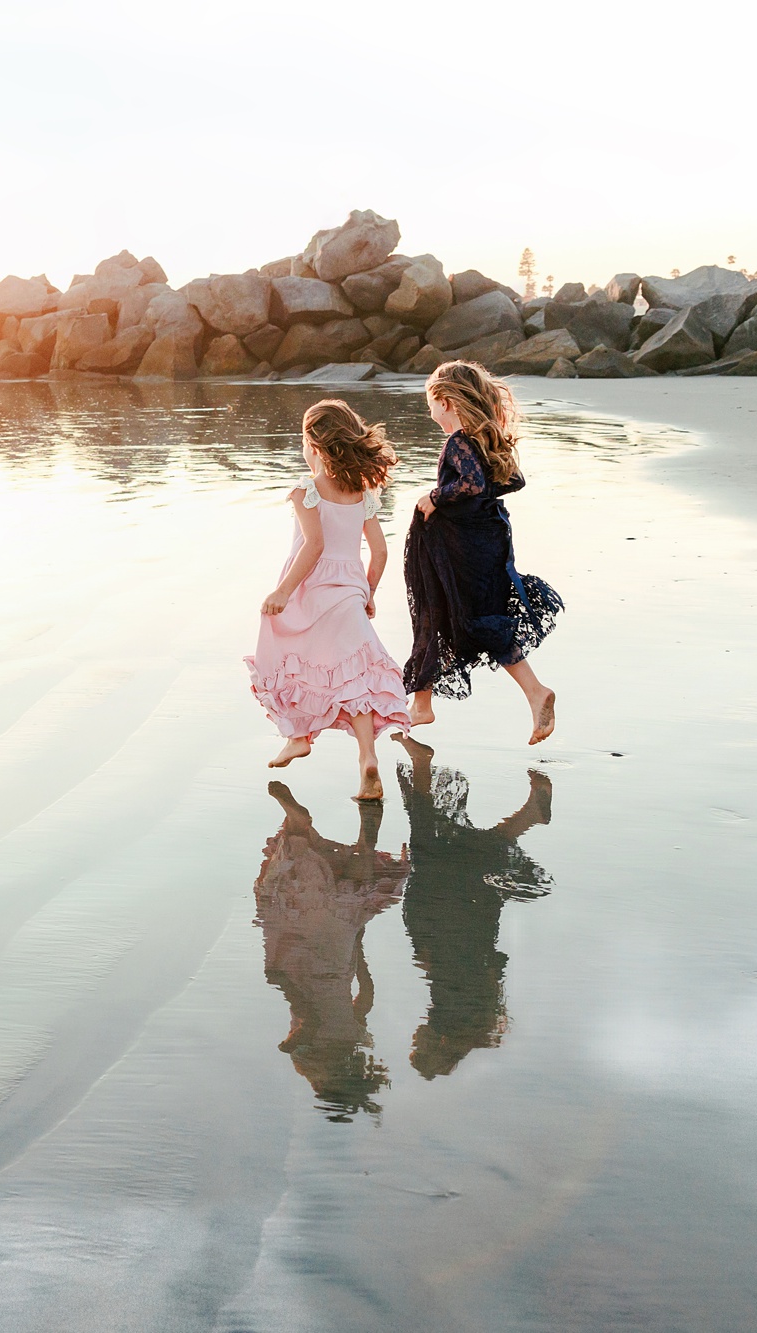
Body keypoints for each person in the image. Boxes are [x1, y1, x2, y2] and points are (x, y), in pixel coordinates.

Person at [246, 399, 411, 801]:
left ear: (314, 447)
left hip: (311, 589)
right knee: (353, 675)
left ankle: (298, 735)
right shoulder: (362, 492)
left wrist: (282, 592)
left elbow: (314, 546)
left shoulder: (306, 490)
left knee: (288, 654)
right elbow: (381, 552)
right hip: (351, 588)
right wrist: (368, 594)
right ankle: (367, 758)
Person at [405, 361, 562, 744]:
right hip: (487, 541)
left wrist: (435, 497)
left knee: (450, 614)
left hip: (461, 547)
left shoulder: (459, 440)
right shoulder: (483, 439)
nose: (429, 412)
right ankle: (422, 705)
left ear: (446, 401)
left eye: (431, 403)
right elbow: (513, 480)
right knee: (454, 613)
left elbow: (472, 483)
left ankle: (533, 692)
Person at [392, 734, 554, 1079]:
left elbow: (496, 963)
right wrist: (425, 955)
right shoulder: (450, 1011)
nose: (414, 1037)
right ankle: (421, 762)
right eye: (417, 1045)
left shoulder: (475, 1016)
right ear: (434, 1044)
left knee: (472, 854)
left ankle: (531, 814)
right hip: (442, 921)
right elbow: (444, 963)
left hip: (475, 922)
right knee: (427, 838)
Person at [252, 781, 410, 1121]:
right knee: (296, 894)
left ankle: (366, 832)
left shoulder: (354, 1039)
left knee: (351, 895)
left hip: (339, 963)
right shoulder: (311, 1060)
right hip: (301, 966)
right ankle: (298, 827)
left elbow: (365, 996)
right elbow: (302, 1023)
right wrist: (281, 982)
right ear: (329, 1084)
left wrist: (359, 945)